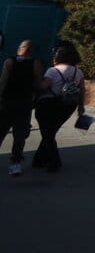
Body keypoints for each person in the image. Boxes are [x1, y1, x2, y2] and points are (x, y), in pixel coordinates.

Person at [32, 42, 85, 173]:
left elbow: (43, 86)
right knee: (50, 132)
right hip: (68, 106)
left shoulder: (52, 70)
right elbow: (82, 90)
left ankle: (54, 161)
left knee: (47, 133)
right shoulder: (78, 72)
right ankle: (39, 160)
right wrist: (81, 107)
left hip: (48, 105)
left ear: (57, 58)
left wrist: (35, 81)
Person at [1, 38, 43, 176]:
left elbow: (3, 82)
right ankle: (15, 163)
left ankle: (16, 162)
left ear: (19, 49)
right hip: (24, 103)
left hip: (7, 102)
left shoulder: (9, 62)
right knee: (19, 135)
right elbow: (38, 84)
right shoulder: (35, 64)